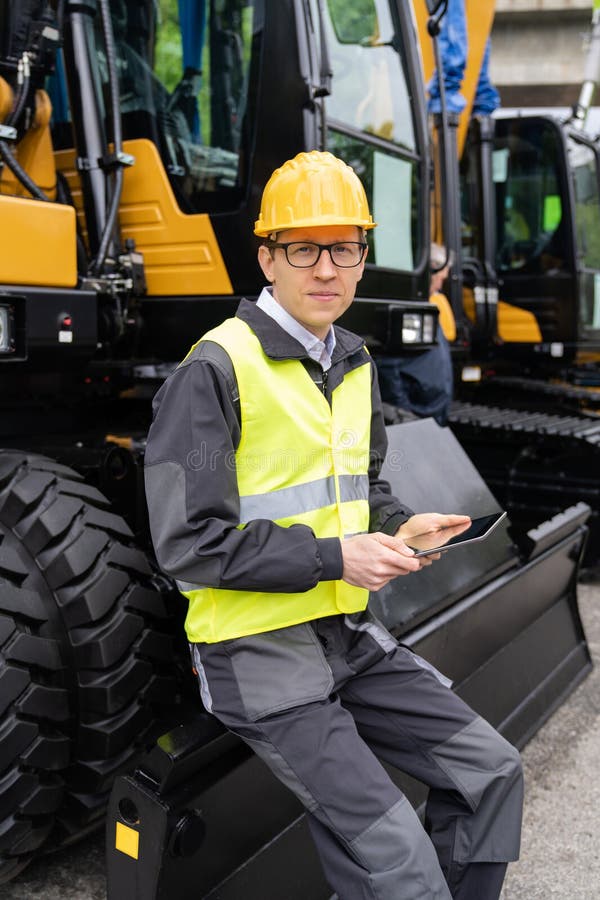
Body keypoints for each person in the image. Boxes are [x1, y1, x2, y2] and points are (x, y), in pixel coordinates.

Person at [144, 151, 523, 900]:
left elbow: (361, 489)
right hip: (255, 652)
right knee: (399, 862)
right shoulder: (214, 370)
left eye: (344, 248)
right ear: (267, 258)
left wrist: (401, 525)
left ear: (362, 258)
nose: (327, 269)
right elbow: (186, 545)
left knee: (491, 774)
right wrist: (337, 558)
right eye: (303, 249)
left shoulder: (353, 360)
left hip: (345, 636)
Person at [375, 243, 455, 426]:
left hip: (430, 413)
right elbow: (387, 367)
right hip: (413, 416)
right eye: (441, 278)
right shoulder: (404, 312)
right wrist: (403, 409)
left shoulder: (429, 307)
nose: (440, 285)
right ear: (430, 269)